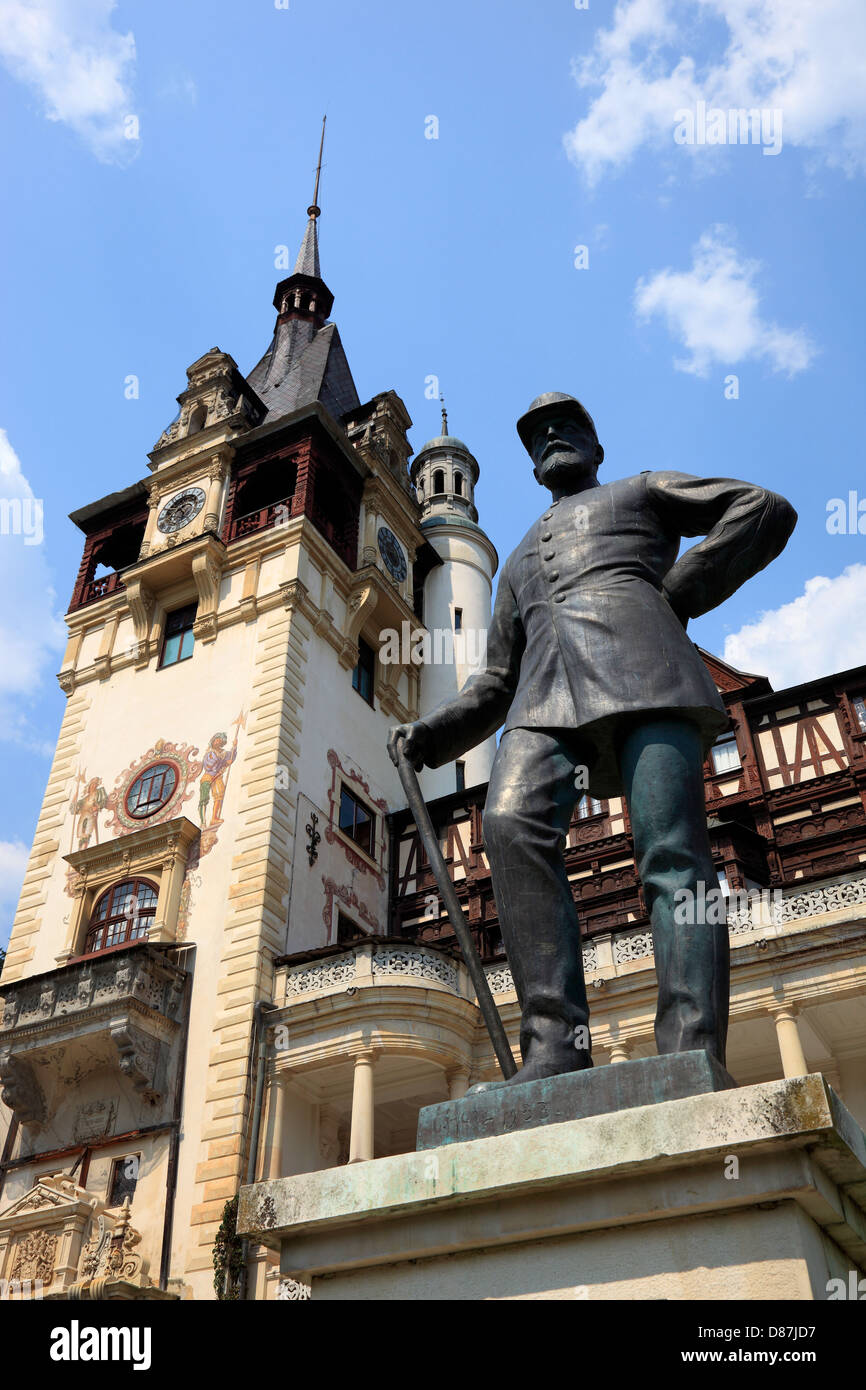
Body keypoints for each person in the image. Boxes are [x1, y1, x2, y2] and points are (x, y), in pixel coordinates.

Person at [389, 393, 796, 1084]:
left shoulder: (640, 492)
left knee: (672, 856)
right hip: (544, 702)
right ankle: (553, 1046)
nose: (551, 438)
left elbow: (760, 506)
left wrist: (677, 591)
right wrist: (430, 731)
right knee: (509, 823)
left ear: (595, 445)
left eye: (566, 427)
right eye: (537, 436)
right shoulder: (516, 563)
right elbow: (493, 679)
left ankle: (690, 1048)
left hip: (651, 678)